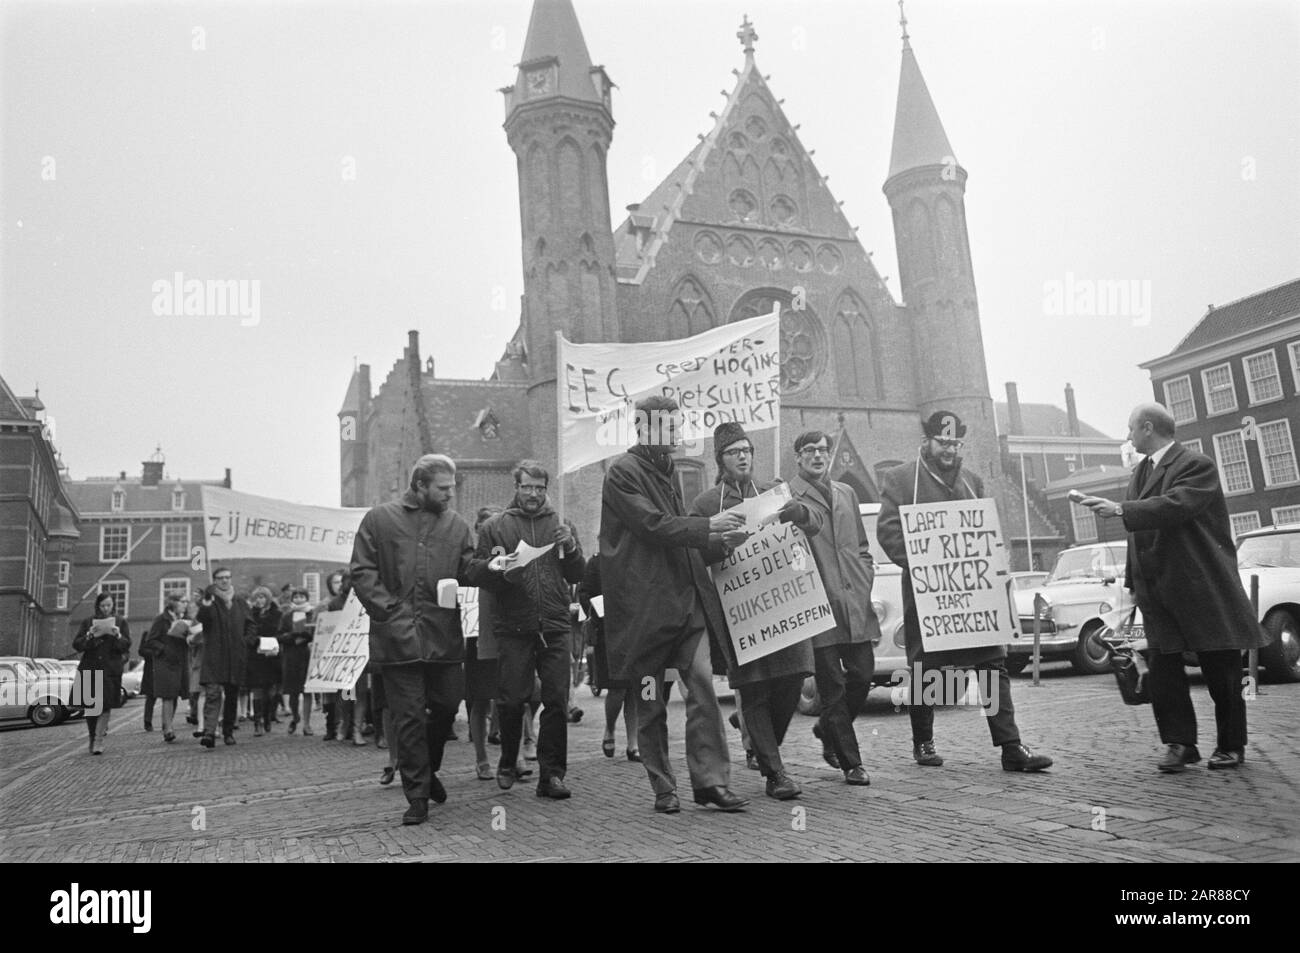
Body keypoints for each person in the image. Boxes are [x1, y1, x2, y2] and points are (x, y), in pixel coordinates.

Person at [1079, 402, 1266, 772]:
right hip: (1158, 590)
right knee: (1163, 670)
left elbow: (1176, 506)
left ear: (1148, 428)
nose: (1128, 436)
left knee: (1220, 670)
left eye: (1131, 428)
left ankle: (1231, 744)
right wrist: (1134, 582)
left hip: (1201, 587)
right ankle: (1180, 743)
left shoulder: (1196, 465)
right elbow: (1138, 536)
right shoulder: (1141, 472)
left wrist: (1120, 510)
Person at [599, 395, 750, 814]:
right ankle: (663, 785)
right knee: (650, 699)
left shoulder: (666, 469)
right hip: (646, 610)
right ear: (645, 428)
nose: (678, 433)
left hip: (684, 602)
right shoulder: (623, 473)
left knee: (701, 686)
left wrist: (717, 542)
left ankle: (711, 782)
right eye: (669, 426)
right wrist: (709, 527)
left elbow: (678, 537)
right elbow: (651, 526)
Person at [878, 411, 1052, 772]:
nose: (949, 450)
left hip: (974, 597)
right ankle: (923, 742)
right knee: (928, 670)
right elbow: (889, 533)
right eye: (943, 442)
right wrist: (927, 563)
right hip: (929, 596)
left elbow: (985, 535)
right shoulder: (900, 480)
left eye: (955, 443)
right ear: (926, 441)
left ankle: (1010, 746)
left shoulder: (973, 481)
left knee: (992, 664)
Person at [689, 422, 822, 799]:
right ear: (721, 460)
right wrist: (719, 546)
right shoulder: (705, 505)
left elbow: (815, 523)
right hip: (741, 616)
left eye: (747, 450)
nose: (743, 457)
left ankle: (763, 747)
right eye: (734, 452)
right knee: (756, 689)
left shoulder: (774, 493)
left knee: (793, 681)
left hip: (785, 607)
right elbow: (694, 554)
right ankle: (775, 772)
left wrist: (798, 511)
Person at [350, 453, 479, 826]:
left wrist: (495, 568)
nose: (450, 495)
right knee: (407, 718)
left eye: (452, 488)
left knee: (444, 708)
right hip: (398, 639)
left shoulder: (456, 525)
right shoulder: (379, 519)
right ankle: (417, 795)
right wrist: (388, 610)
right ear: (419, 486)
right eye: (442, 489)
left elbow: (467, 568)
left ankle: (428, 768)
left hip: (443, 636)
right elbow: (361, 569)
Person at [475, 460, 586, 799]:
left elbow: (576, 574)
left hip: (554, 624)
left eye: (540, 488)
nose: (534, 494)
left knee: (555, 700)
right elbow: (476, 571)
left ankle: (551, 775)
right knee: (511, 701)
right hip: (514, 625)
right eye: (527, 487)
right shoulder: (496, 527)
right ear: (516, 488)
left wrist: (571, 547)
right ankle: (508, 759)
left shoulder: (561, 523)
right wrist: (498, 566)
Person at [783, 430, 878, 786]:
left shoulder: (846, 492)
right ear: (798, 456)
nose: (818, 457)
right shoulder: (788, 495)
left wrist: (864, 574)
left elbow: (862, 545)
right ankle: (852, 762)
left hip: (854, 599)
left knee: (863, 676)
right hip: (817, 603)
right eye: (809, 451)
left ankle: (827, 729)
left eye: (823, 450)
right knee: (832, 685)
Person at [578, 554, 641, 762]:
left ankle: (634, 743)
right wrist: (600, 607)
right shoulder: (596, 563)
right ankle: (610, 728)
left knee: (636, 687)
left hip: (635, 627)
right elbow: (585, 595)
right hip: (609, 632)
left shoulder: (635, 555)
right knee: (617, 687)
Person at [466, 506, 503, 780]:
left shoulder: (505, 554)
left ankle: (513, 750)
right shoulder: (466, 557)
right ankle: (481, 757)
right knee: (479, 699)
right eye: (482, 525)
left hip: (503, 632)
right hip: (473, 634)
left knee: (513, 694)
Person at [196, 567, 251, 749]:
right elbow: (203, 618)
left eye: (228, 577)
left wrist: (246, 641)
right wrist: (206, 602)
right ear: (215, 580)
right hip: (215, 656)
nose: (225, 581)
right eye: (220, 578)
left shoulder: (240, 602)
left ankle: (228, 732)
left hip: (235, 655)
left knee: (232, 694)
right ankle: (209, 733)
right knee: (213, 694)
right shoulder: (210, 601)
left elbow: (251, 625)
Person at [73, 592, 131, 755]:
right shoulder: (87, 622)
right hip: (90, 666)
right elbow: (77, 644)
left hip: (110, 669)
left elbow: (126, 645)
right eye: (103, 605)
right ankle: (93, 737)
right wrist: (89, 635)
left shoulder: (121, 622)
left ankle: (98, 740)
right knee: (91, 707)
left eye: (109, 605)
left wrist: (118, 635)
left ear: (113, 605)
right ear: (98, 606)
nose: (106, 609)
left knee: (105, 706)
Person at [141, 595, 190, 742]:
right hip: (165, 663)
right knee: (168, 695)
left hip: (180, 661)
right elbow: (151, 640)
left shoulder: (185, 619)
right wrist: (164, 649)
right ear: (173, 603)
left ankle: (167, 725)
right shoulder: (161, 619)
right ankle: (168, 729)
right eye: (182, 602)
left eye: (186, 602)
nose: (185, 605)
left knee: (174, 694)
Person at [278, 587, 316, 735]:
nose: (299, 599)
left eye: (302, 596)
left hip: (307, 656)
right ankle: (296, 716)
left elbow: (317, 631)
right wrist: (292, 636)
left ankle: (307, 723)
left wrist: (306, 636)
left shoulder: (312, 614)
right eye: (296, 597)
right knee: (293, 692)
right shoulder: (287, 616)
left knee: (307, 691)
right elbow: (279, 635)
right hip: (292, 656)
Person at [245, 587, 282, 737]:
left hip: (272, 656)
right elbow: (247, 632)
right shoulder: (250, 614)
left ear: (268, 598)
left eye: (262, 597)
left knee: (271, 691)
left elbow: (278, 631)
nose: (259, 600)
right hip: (256, 656)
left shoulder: (277, 614)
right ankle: (257, 722)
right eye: (257, 598)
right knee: (257, 690)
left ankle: (268, 716)